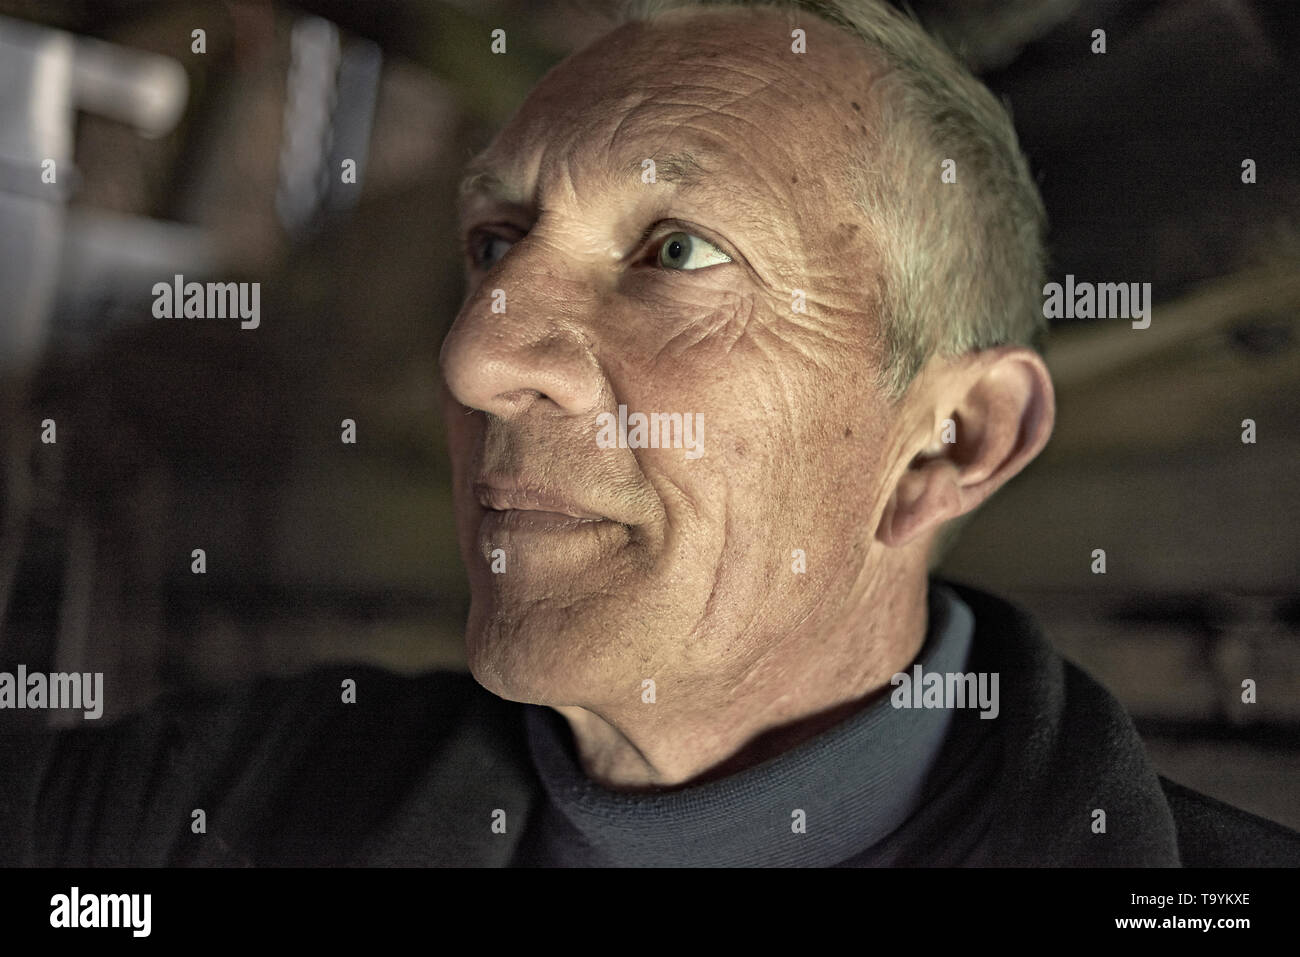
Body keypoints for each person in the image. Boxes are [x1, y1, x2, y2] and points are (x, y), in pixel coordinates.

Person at [2, 0, 1296, 867]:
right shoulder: (198, 814)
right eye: (495, 243)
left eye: (678, 249)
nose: (475, 354)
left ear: (951, 440)